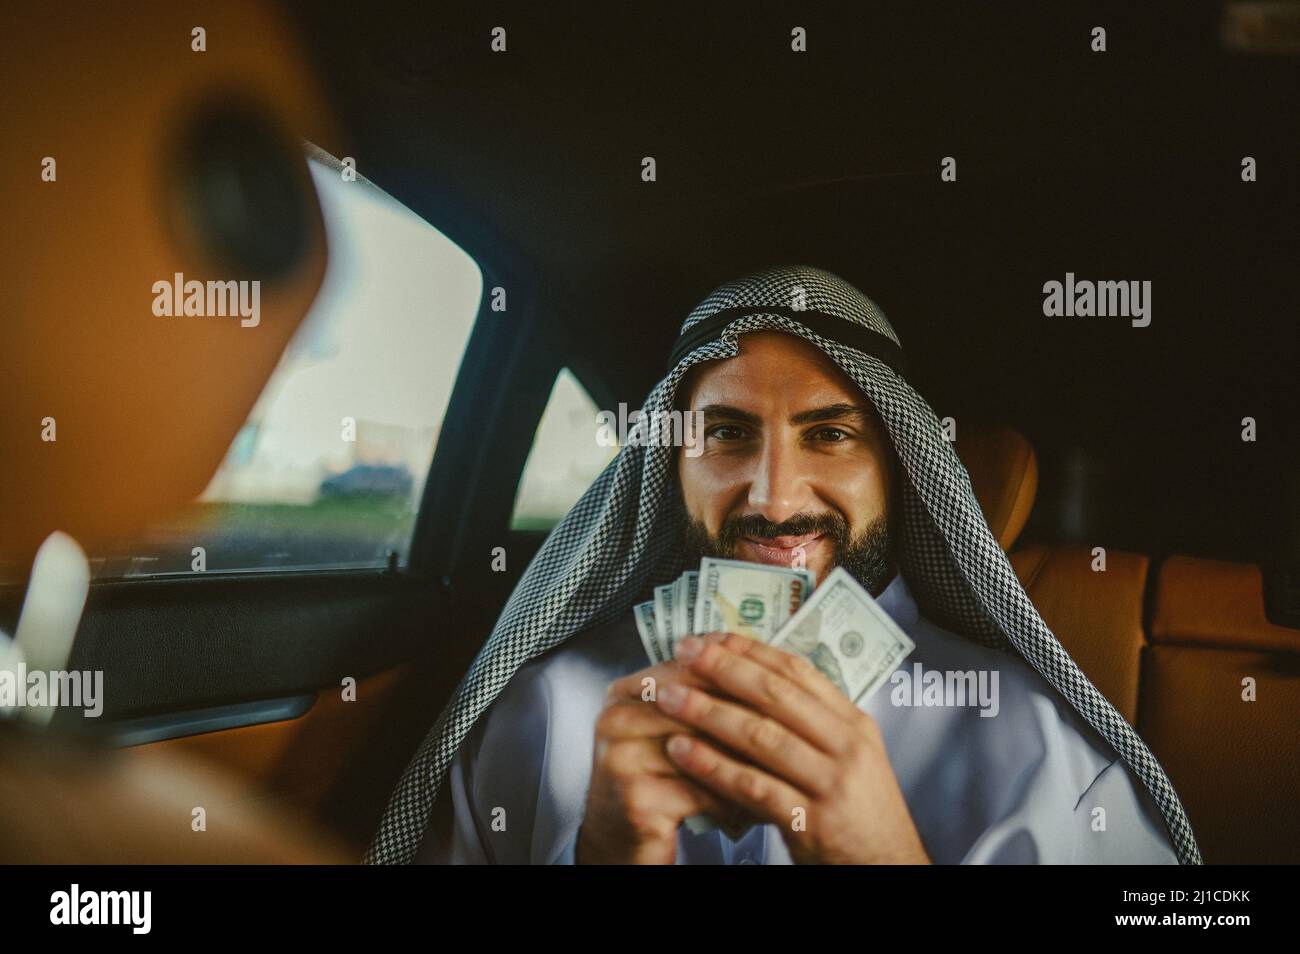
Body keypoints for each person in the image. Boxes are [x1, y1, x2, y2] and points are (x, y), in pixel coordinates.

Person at [366, 265, 1200, 865]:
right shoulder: (540, 714)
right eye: (727, 433)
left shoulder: (1044, 752)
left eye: (829, 435)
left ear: (898, 466)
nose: (772, 499)